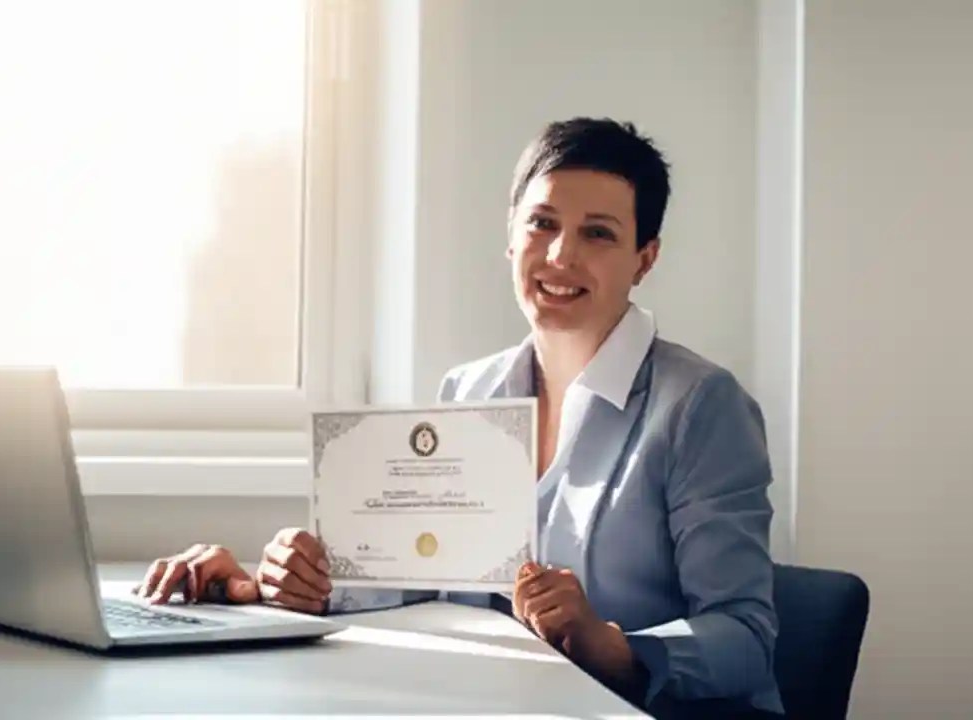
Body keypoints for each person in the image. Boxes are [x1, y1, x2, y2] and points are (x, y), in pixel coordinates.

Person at [136, 118, 782, 717]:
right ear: (510, 238)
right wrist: (269, 584)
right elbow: (421, 577)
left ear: (645, 257)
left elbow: (746, 638)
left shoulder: (700, 406)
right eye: (542, 223)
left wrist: (610, 643)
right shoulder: (470, 389)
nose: (559, 255)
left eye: (598, 233)